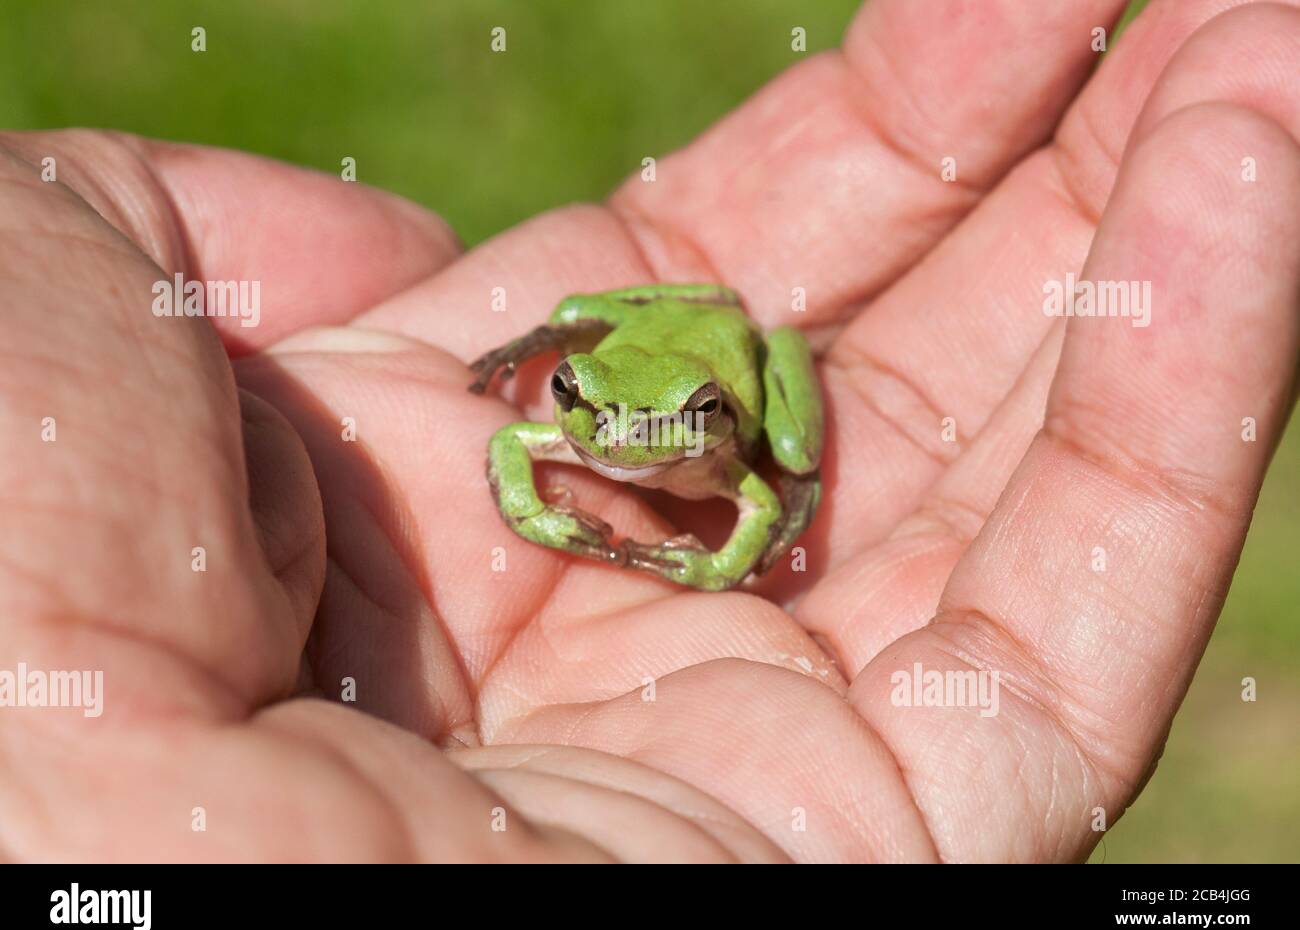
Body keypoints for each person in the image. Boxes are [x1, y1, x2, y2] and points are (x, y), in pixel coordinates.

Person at [3, 0, 1298, 862]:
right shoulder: (579, 423)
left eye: (642, 431)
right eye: (584, 419)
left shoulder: (705, 442)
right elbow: (515, 449)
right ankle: (587, 348)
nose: (611, 444)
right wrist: (553, 443)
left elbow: (742, 504)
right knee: (596, 372)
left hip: (727, 373)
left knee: (789, 462)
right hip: (644, 338)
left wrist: (717, 546)